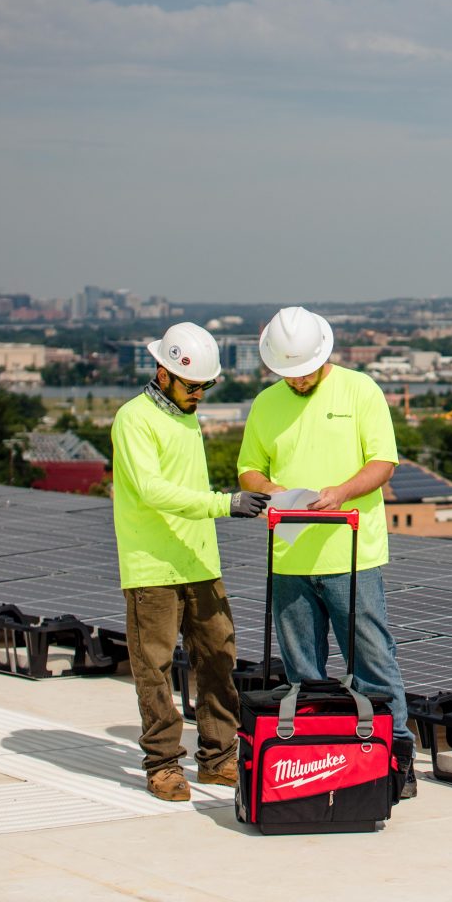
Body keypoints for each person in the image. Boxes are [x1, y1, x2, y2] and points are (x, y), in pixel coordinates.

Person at [235, 306, 416, 798]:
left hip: (350, 556)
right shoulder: (267, 403)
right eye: (288, 375)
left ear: (323, 355)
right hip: (290, 556)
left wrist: (341, 492)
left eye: (305, 372)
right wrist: (272, 490)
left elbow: (383, 462)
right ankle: (316, 760)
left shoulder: (360, 390)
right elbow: (249, 469)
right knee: (302, 673)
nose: (297, 381)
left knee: (372, 661)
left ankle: (394, 759)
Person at [111, 322, 271, 801]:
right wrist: (226, 503)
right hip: (152, 566)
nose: (200, 393)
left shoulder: (186, 416)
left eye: (207, 386)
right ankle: (163, 765)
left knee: (219, 660)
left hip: (200, 562)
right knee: (154, 667)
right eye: (193, 385)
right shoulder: (133, 419)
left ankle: (219, 759)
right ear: (163, 374)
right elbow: (153, 491)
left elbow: (185, 489)